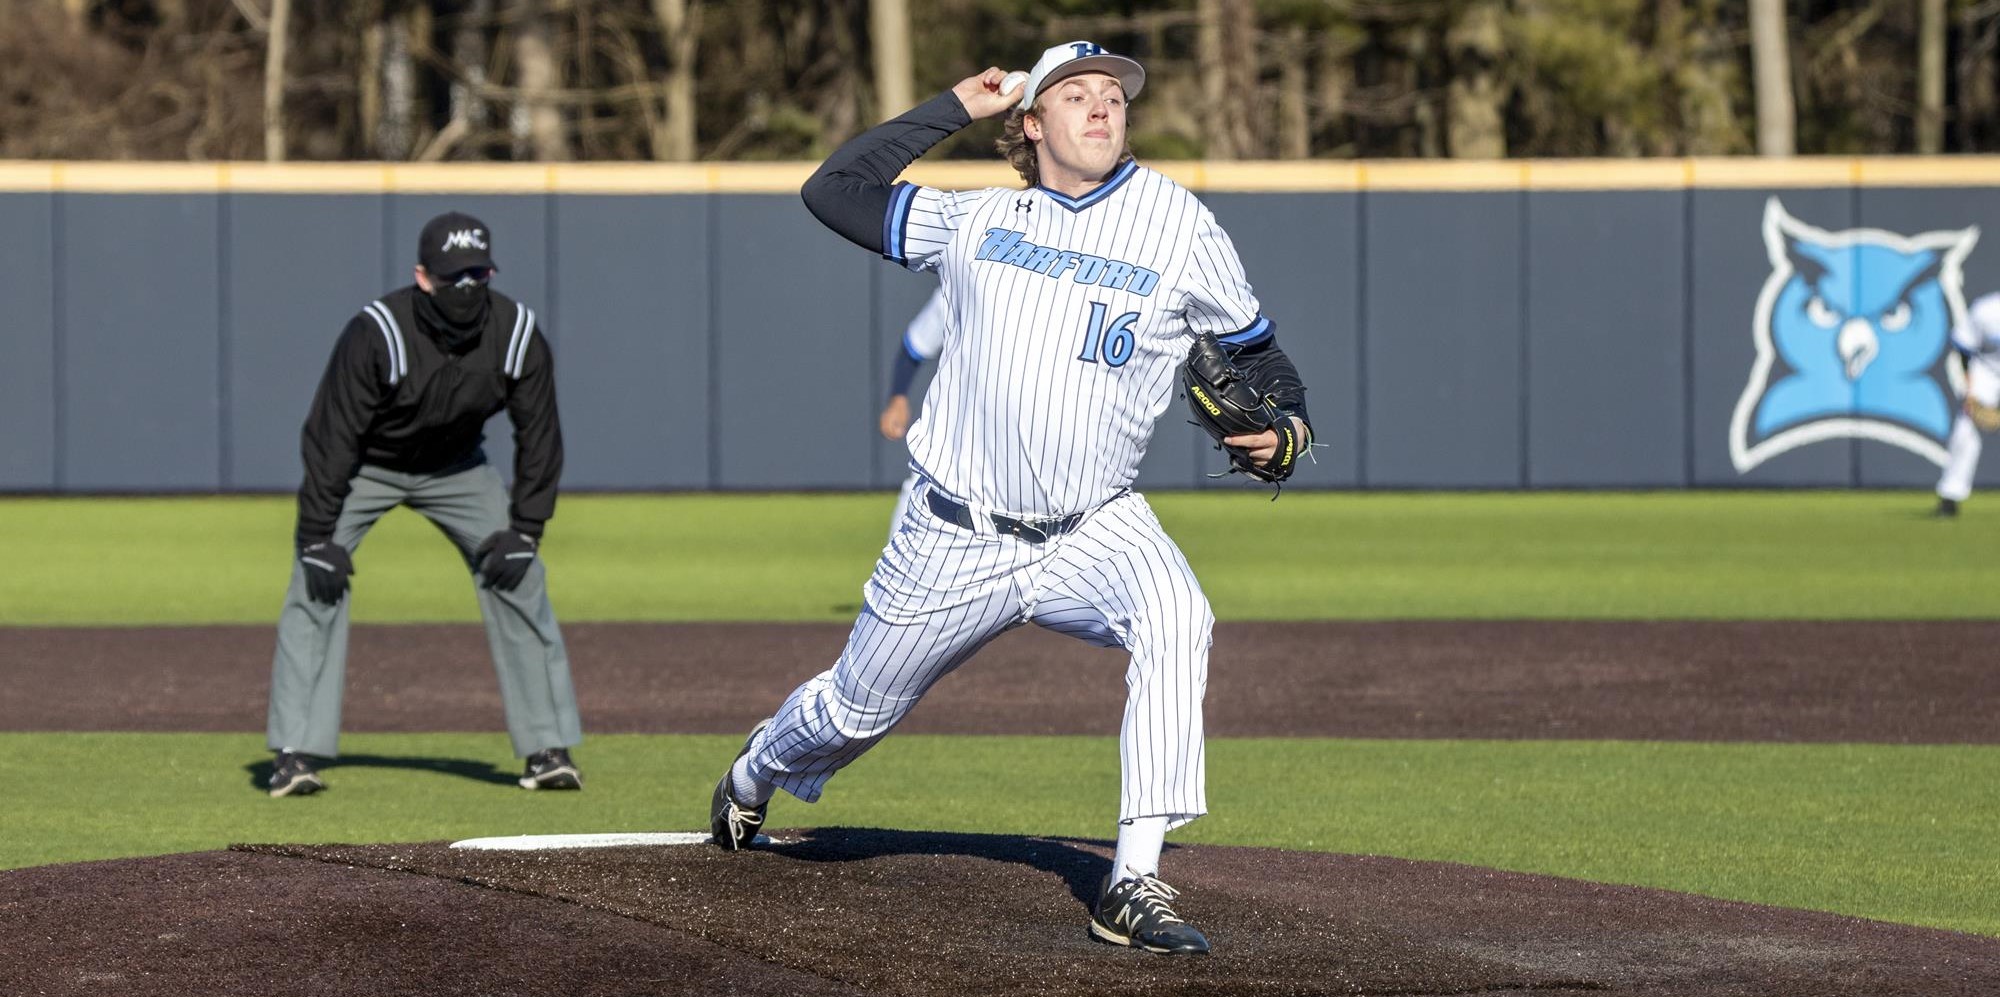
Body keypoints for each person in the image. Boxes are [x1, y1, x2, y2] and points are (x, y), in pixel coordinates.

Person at [709, 42, 1313, 956]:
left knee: (1179, 617)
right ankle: (756, 773)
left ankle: (1134, 878)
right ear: (1030, 123)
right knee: (852, 711)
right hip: (954, 531)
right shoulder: (977, 219)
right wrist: (953, 104)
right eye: (1076, 93)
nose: (1103, 105)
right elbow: (832, 189)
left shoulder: (1179, 224)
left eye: (1113, 93)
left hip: (1095, 523)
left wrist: (1290, 429)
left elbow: (1259, 352)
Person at [265, 212, 584, 798]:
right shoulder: (378, 330)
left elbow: (540, 434)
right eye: (453, 275)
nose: (467, 287)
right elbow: (332, 434)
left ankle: (548, 747)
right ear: (423, 277)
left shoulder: (514, 332)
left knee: (518, 574)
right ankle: (293, 752)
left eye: (478, 274)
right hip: (369, 466)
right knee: (316, 579)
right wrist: (317, 535)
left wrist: (527, 528)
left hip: (458, 469)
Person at [878, 286, 947, 541]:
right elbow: (914, 346)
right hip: (951, 444)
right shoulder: (965, 279)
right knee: (902, 535)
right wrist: (898, 396)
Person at [1935, 291, 2000, 517]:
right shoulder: (1988, 309)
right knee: (1965, 431)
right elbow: (1964, 348)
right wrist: (1970, 389)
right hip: (1987, 372)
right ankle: (1950, 496)